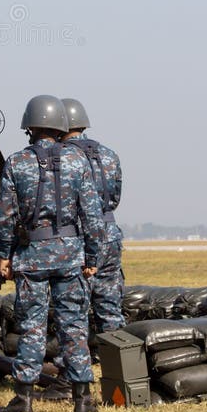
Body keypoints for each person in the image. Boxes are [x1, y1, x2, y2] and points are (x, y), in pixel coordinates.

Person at [0, 95, 104, 412]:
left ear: (29, 126)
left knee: (31, 325)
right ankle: (83, 401)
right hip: (71, 257)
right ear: (60, 126)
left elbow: (4, 218)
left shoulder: (16, 162)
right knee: (74, 326)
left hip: (31, 257)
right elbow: (93, 217)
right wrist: (93, 258)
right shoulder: (77, 161)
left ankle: (24, 399)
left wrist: (3, 256)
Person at [60, 98, 125, 334]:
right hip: (110, 236)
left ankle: (75, 368)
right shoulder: (108, 154)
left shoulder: (60, 158)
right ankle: (119, 365)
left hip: (78, 238)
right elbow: (115, 199)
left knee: (74, 311)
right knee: (110, 307)